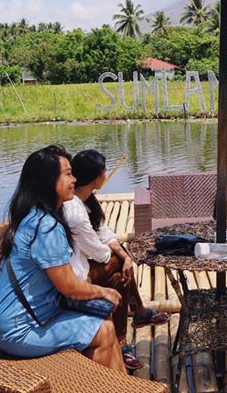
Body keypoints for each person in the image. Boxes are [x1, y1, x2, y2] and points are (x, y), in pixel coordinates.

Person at [0, 145, 124, 372]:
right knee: (103, 331)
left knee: (104, 316)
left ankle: (124, 384)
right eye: (68, 174)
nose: (74, 179)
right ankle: (103, 385)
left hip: (29, 318)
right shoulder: (46, 227)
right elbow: (69, 287)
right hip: (20, 329)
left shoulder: (34, 216)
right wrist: (105, 291)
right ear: (48, 180)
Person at [64, 149, 170, 370]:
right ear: (95, 177)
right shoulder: (73, 209)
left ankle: (138, 312)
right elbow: (97, 251)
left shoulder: (88, 199)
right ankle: (122, 337)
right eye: (104, 170)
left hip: (89, 261)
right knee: (117, 272)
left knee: (121, 261)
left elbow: (105, 232)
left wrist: (123, 254)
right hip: (76, 272)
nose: (106, 173)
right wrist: (119, 257)